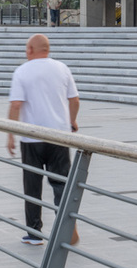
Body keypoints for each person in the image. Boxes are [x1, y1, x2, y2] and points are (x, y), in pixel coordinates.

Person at [6, 34, 81, 247]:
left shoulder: (22, 71)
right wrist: (72, 121)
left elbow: (16, 105)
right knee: (61, 183)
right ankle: (67, 224)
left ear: (30, 49)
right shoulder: (62, 68)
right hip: (58, 135)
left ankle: (34, 233)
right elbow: (74, 100)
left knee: (32, 185)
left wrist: (10, 133)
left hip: (31, 138)